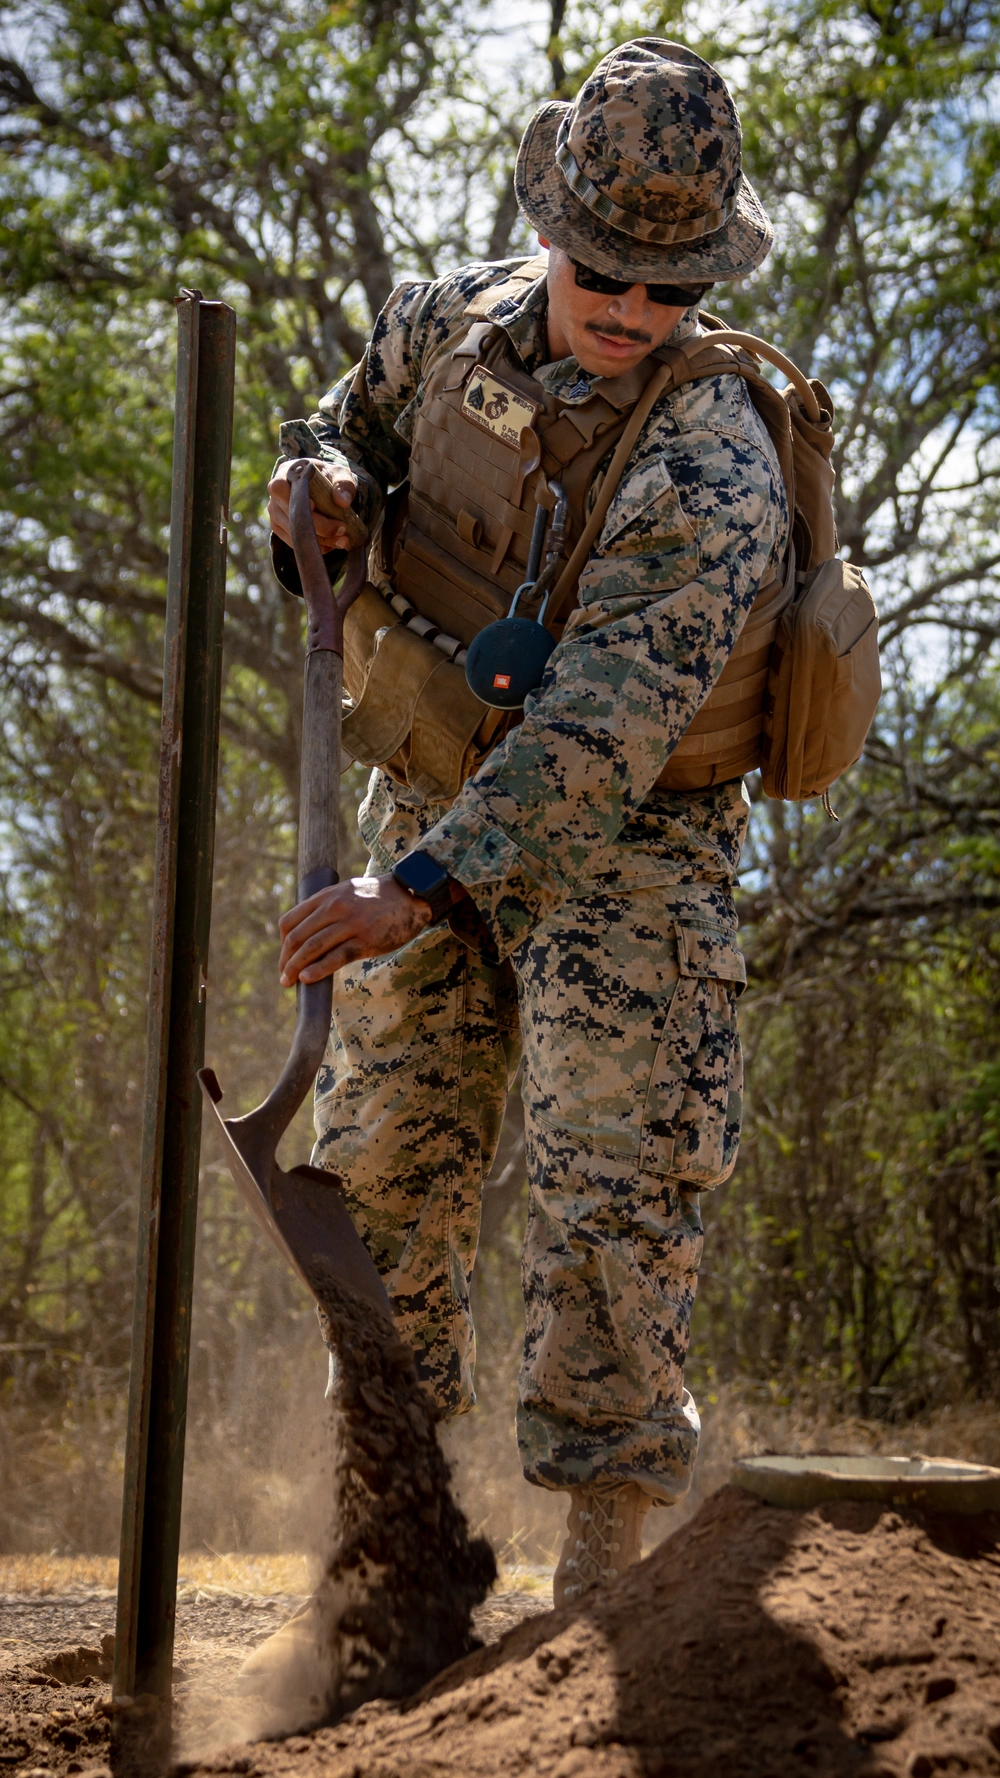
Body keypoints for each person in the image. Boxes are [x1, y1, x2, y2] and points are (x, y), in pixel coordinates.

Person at [262, 36, 787, 1631]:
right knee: (377, 1169)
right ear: (551, 228)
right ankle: (393, 1559)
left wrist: (413, 889)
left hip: (632, 848)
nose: (629, 309)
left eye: (669, 287)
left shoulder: (718, 460)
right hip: (431, 785)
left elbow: (597, 737)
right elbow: (348, 436)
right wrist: (320, 494)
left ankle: (601, 1597)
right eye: (603, 271)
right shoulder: (442, 325)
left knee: (616, 1186)